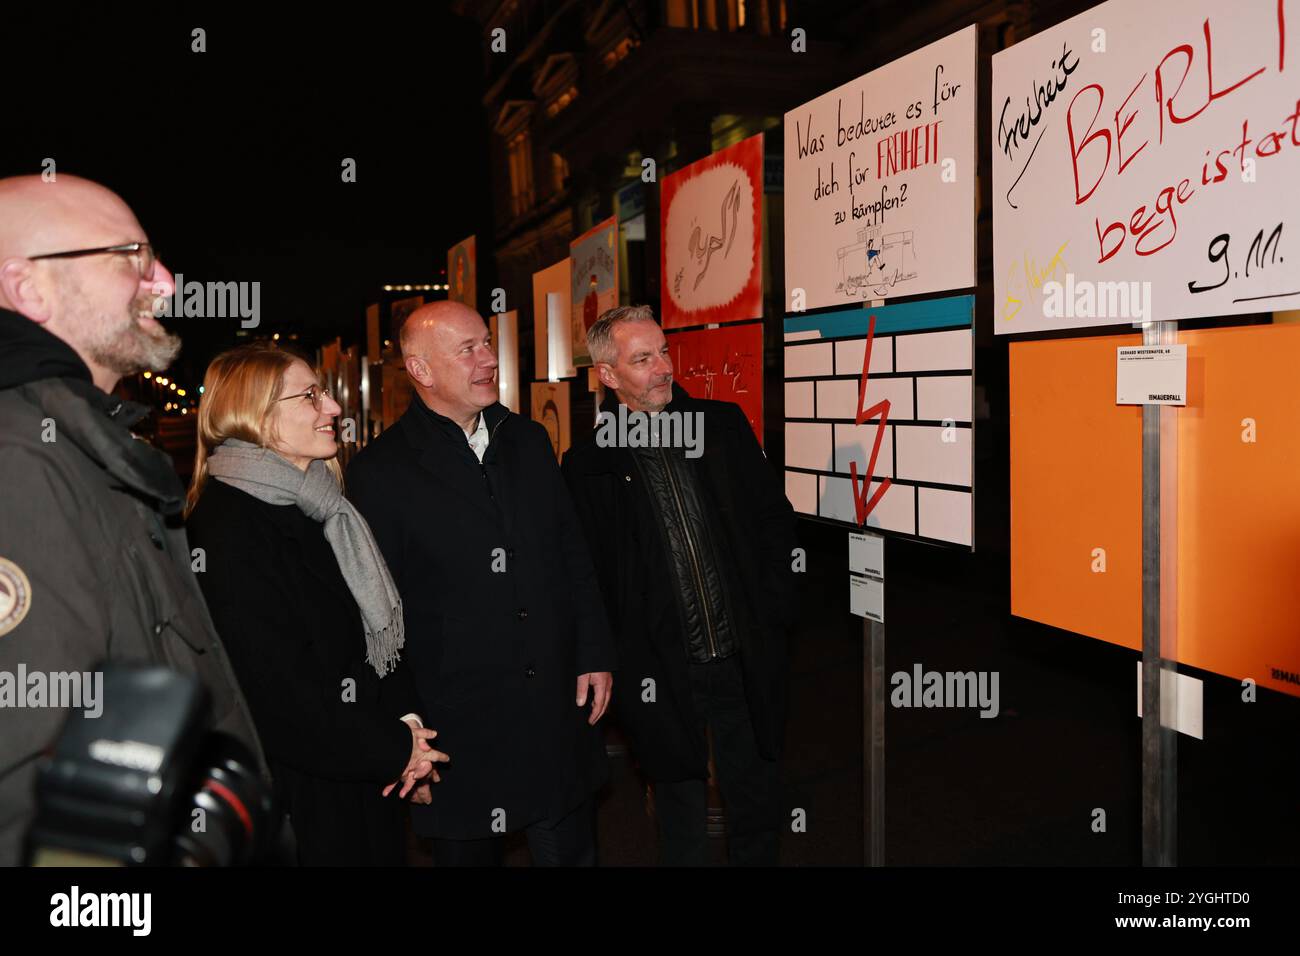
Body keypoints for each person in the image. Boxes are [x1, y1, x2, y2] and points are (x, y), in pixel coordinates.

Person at [0, 174, 265, 865]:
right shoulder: (17, 458)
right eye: (132, 257)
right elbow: (29, 791)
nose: (166, 283)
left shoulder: (82, 442)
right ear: (30, 289)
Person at [347, 300, 615, 866]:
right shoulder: (381, 471)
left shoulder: (529, 440)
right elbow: (379, 618)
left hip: (553, 715)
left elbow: (572, 553)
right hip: (459, 733)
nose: (488, 358)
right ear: (420, 371)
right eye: (467, 349)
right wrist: (406, 736)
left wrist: (593, 650)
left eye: (487, 343)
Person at [186, 345, 449, 865]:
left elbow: (375, 640)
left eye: (324, 392)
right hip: (300, 796)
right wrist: (395, 750)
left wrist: (410, 729)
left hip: (356, 771)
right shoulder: (227, 527)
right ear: (255, 414)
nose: (332, 408)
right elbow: (277, 689)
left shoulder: (320, 502)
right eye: (310, 396)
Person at [561, 305, 800, 866]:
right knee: (679, 806)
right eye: (642, 359)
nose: (664, 367)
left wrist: (776, 607)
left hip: (742, 651)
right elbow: (585, 574)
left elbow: (774, 520)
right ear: (608, 375)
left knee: (756, 799)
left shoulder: (721, 427)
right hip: (659, 667)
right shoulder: (588, 465)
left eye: (664, 351)